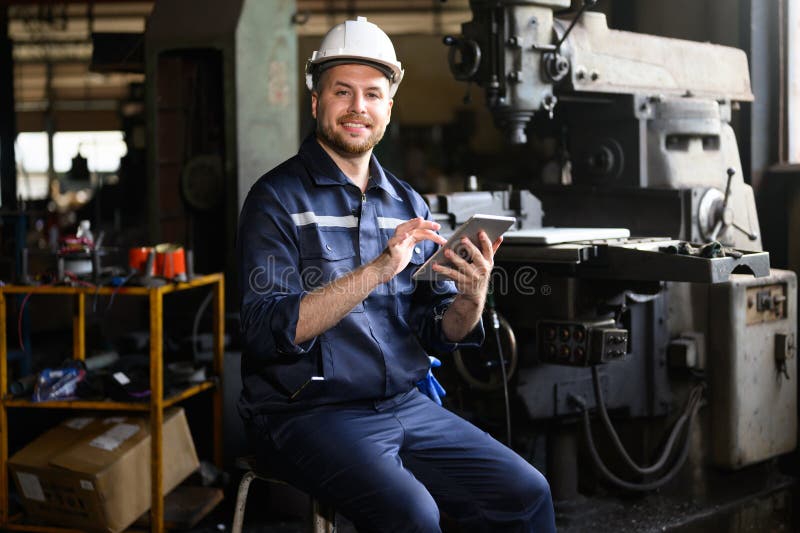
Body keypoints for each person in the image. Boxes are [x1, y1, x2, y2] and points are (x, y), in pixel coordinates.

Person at [237, 16, 555, 533]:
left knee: (525, 492)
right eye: (342, 92)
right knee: (414, 516)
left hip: (405, 404)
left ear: (389, 108)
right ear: (316, 101)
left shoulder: (406, 201)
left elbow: (437, 327)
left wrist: (470, 299)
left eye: (372, 94)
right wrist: (380, 268)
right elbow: (266, 331)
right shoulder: (275, 200)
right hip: (308, 413)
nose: (358, 107)